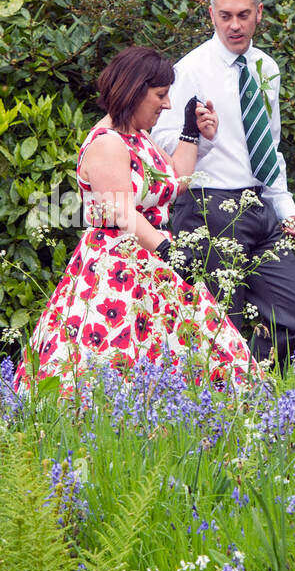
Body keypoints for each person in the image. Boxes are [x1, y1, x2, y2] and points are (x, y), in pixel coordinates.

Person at [16, 46, 259, 394]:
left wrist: (190, 132)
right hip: (116, 268)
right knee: (114, 361)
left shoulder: (138, 137)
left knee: (204, 351)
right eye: (160, 95)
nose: (167, 105)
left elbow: (176, 178)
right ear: (133, 90)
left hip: (154, 257)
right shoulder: (107, 142)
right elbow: (121, 211)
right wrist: (167, 250)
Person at [151, 0, 295, 370]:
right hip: (208, 206)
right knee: (222, 323)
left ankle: (250, 385)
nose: (234, 24)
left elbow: (268, 144)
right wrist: (202, 136)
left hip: (259, 205)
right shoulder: (189, 69)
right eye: (225, 15)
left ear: (259, 14)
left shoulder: (267, 68)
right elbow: (160, 142)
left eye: (243, 14)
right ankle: (223, 409)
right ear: (211, 15)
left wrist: (284, 203)